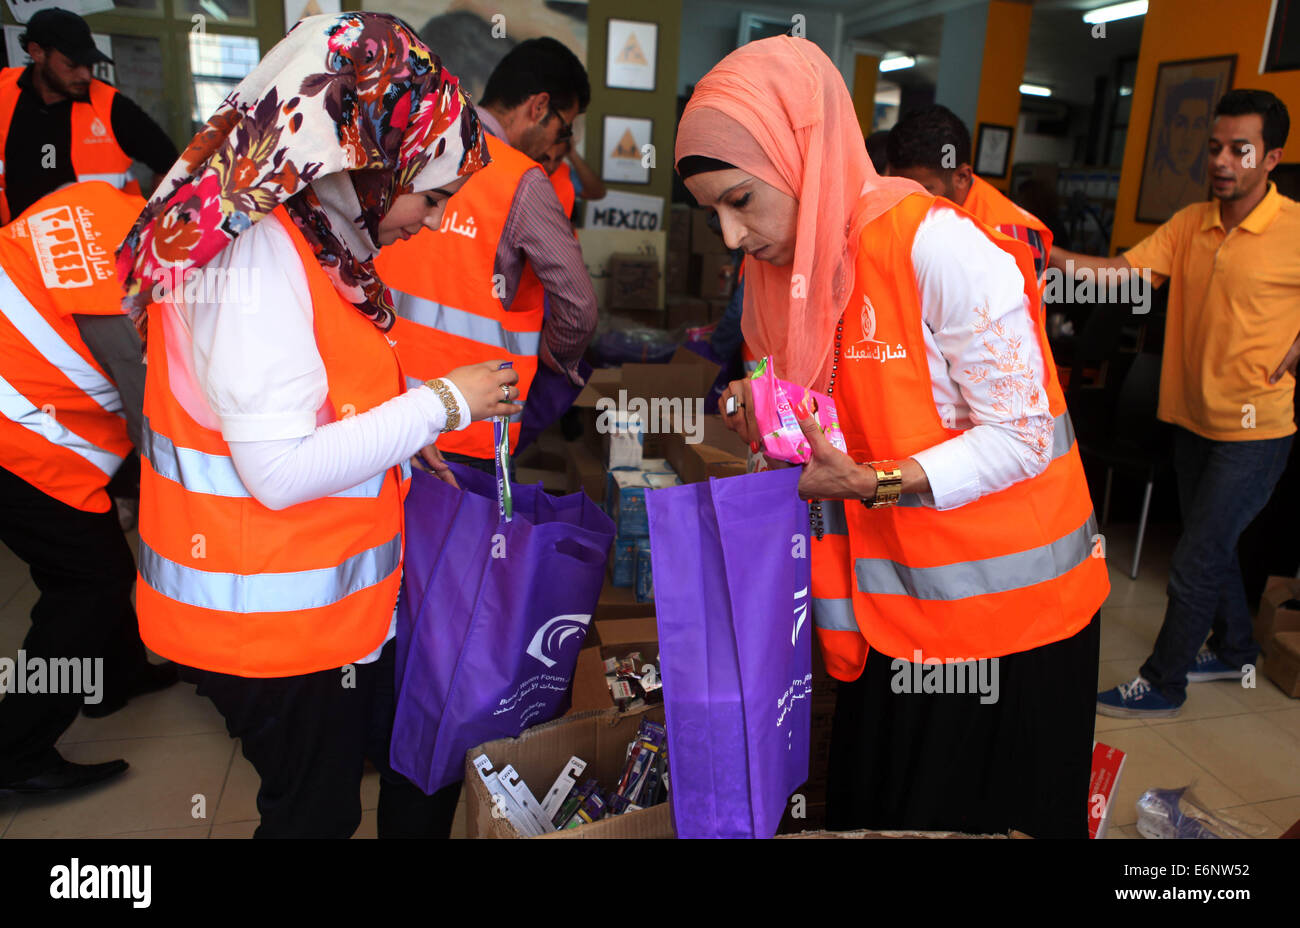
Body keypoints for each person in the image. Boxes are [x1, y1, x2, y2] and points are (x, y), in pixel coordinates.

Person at [678, 36, 1109, 837]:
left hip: (1005, 628)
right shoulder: (776, 277)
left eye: (742, 199)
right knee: (885, 811)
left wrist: (872, 482)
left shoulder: (937, 247)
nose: (731, 236)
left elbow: (1019, 436)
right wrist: (761, 405)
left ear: (802, 155)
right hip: (886, 615)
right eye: (713, 214)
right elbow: (834, 404)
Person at [115, 12, 521, 838]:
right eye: (430, 192)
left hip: (298, 623)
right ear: (364, 154)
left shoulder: (302, 234)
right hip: (268, 633)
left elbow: (316, 396)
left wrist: (409, 437)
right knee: (311, 817)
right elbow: (279, 471)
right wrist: (445, 403)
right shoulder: (259, 256)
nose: (434, 221)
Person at [1051, 89, 1300, 718]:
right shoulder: (1192, 222)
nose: (1221, 160)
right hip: (1192, 419)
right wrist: (1045, 257)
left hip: (1257, 430)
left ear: (1271, 157)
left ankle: (1163, 682)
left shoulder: (1294, 227)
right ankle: (1236, 649)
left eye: (1238, 149)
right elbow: (1122, 276)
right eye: (1214, 146)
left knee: (1197, 556)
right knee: (1210, 545)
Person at [0, 182, 179, 794]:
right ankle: (14, 749)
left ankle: (113, 675)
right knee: (88, 580)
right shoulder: (129, 277)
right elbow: (151, 418)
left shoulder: (103, 200)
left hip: (19, 405)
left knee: (94, 552)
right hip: (17, 435)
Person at [374, 37, 598, 474]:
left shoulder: (407, 140)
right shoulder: (522, 181)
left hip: (373, 411)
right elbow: (578, 308)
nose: (560, 143)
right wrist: (554, 362)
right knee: (463, 541)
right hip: (467, 426)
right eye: (563, 128)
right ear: (538, 107)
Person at [0, 8, 179, 223]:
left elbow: (169, 162)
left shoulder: (111, 106)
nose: (85, 75)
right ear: (37, 52)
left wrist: (150, 230)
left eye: (89, 64)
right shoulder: (3, 94)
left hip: (99, 248)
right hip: (16, 248)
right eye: (72, 65)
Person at [886, 103, 1053, 279]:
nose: (904, 201)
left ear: (962, 177)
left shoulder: (1011, 238)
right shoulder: (893, 209)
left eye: (921, 191)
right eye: (897, 187)